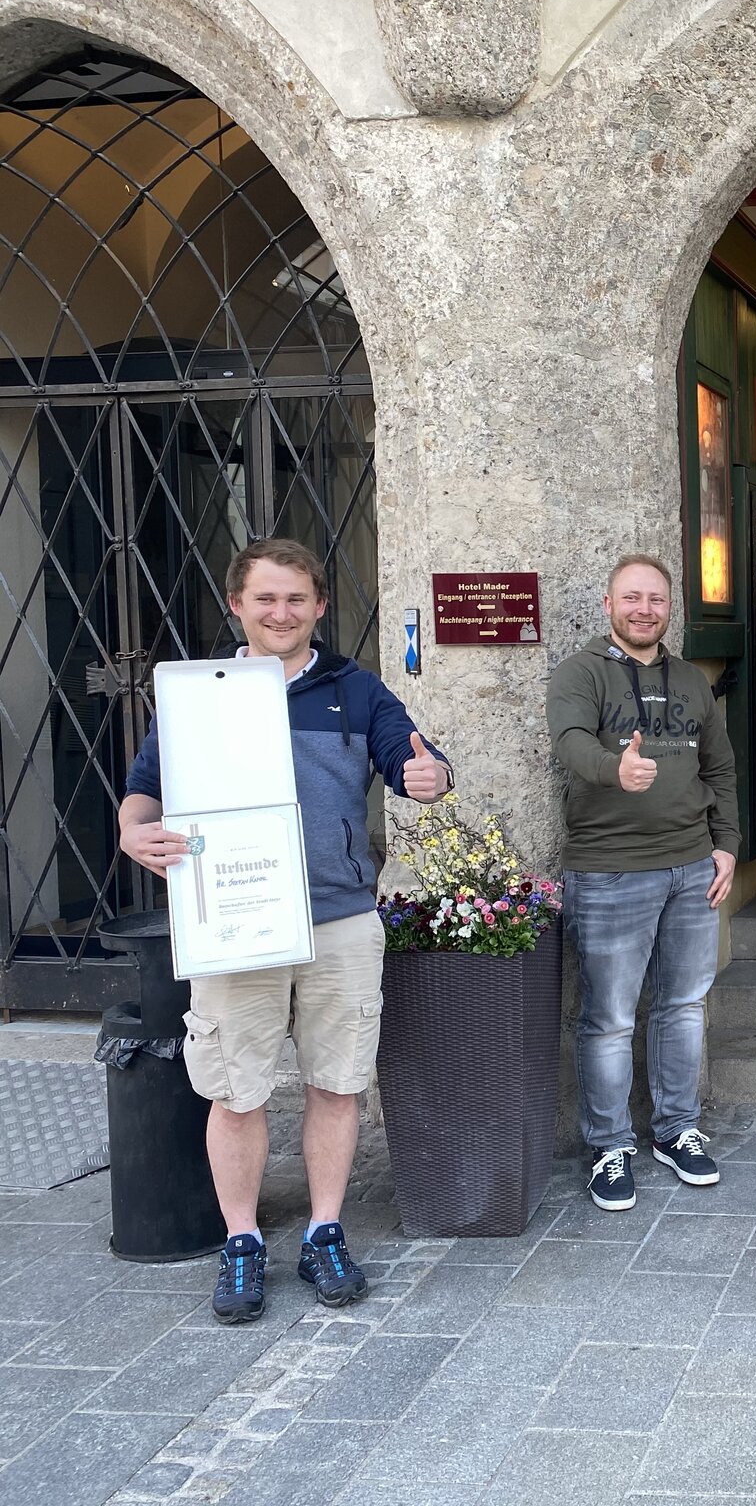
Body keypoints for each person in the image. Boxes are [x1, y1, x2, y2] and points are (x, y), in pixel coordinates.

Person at [119, 538, 452, 1324]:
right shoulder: (200, 694)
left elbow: (417, 760)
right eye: (265, 599)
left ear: (319, 608)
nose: (281, 612)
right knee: (236, 1090)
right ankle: (242, 1243)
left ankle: (325, 1230)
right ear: (237, 604)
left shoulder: (354, 689)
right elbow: (143, 791)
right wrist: (135, 833)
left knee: (336, 1083)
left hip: (338, 919)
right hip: (234, 921)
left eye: (296, 599)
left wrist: (427, 777)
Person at [547, 554, 739, 1211]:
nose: (645, 609)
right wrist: (612, 770)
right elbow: (569, 741)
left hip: (691, 869)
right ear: (609, 605)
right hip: (608, 873)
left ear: (670, 608)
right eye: (632, 598)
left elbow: (721, 768)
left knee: (684, 1007)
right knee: (608, 1019)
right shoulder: (580, 673)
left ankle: (677, 1131)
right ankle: (608, 1146)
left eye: (656, 599)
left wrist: (729, 847)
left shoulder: (691, 680)